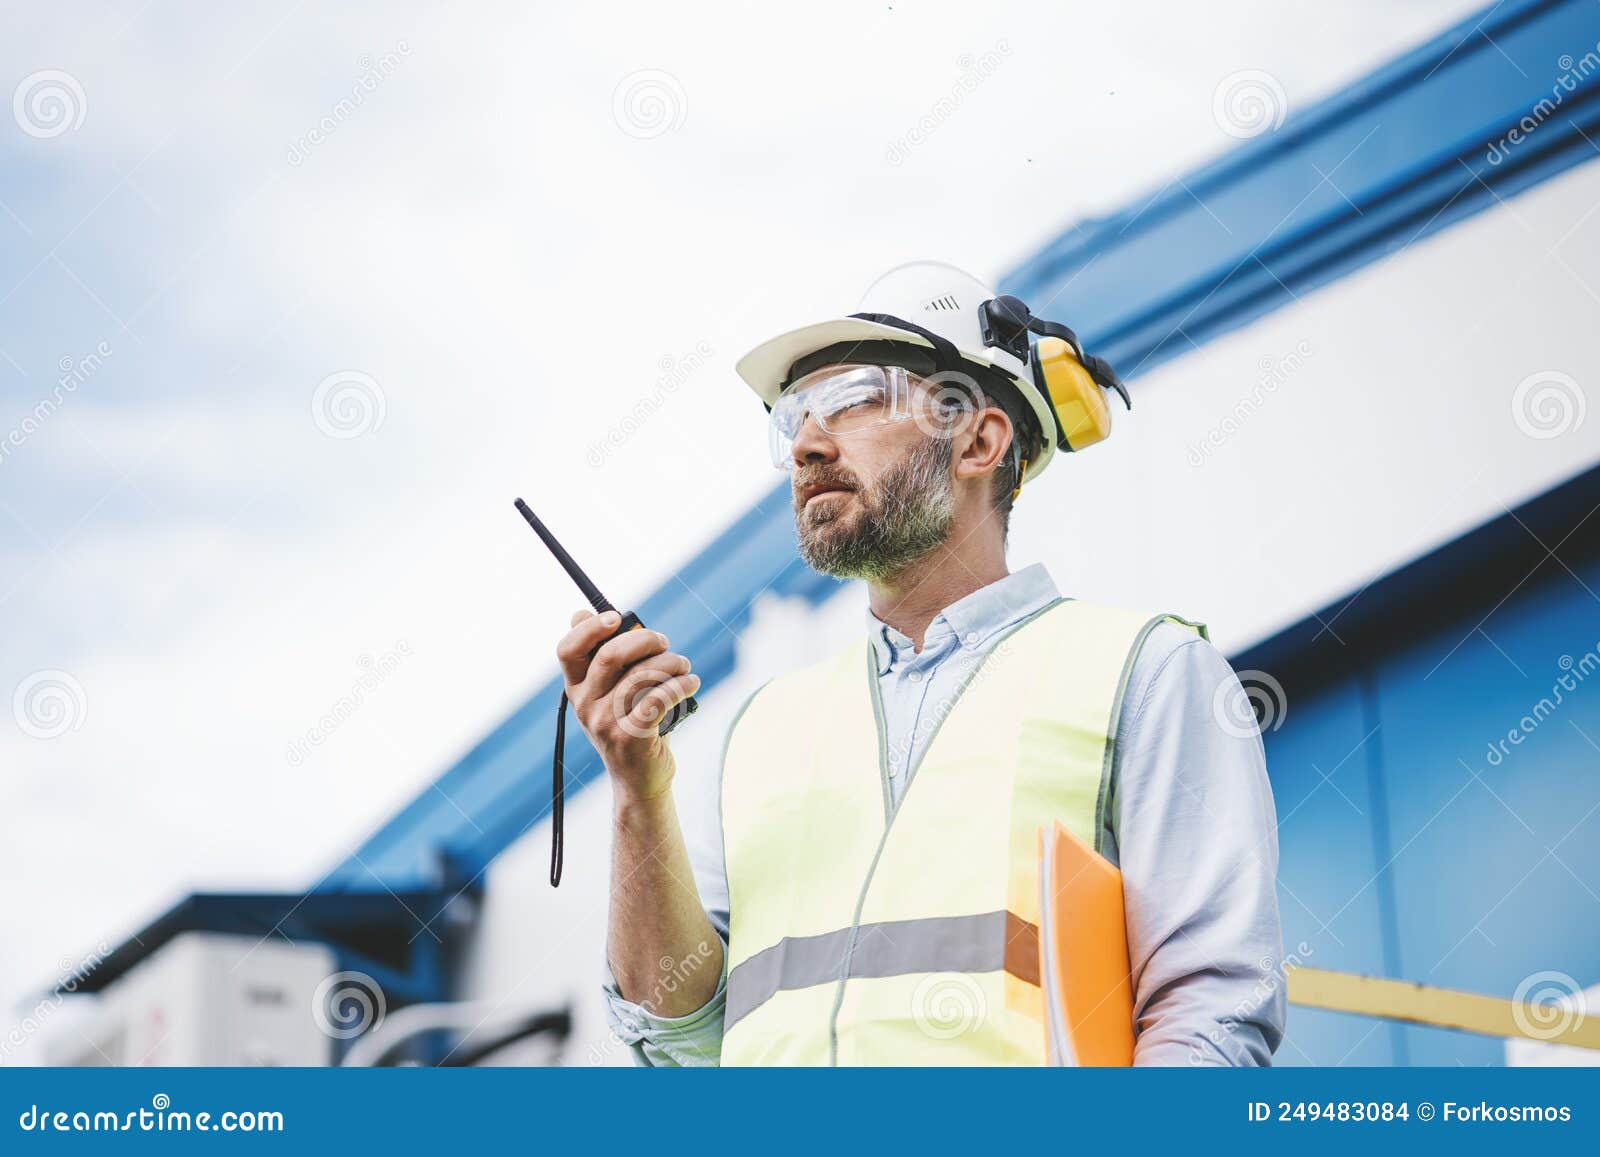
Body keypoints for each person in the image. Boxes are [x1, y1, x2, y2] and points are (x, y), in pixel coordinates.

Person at [557, 261, 1285, 1065]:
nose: (806, 444)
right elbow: (680, 1043)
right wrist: (637, 790)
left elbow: (1209, 1017)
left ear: (978, 439)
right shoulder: (760, 730)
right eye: (795, 416)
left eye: (852, 398)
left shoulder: (1144, 674)